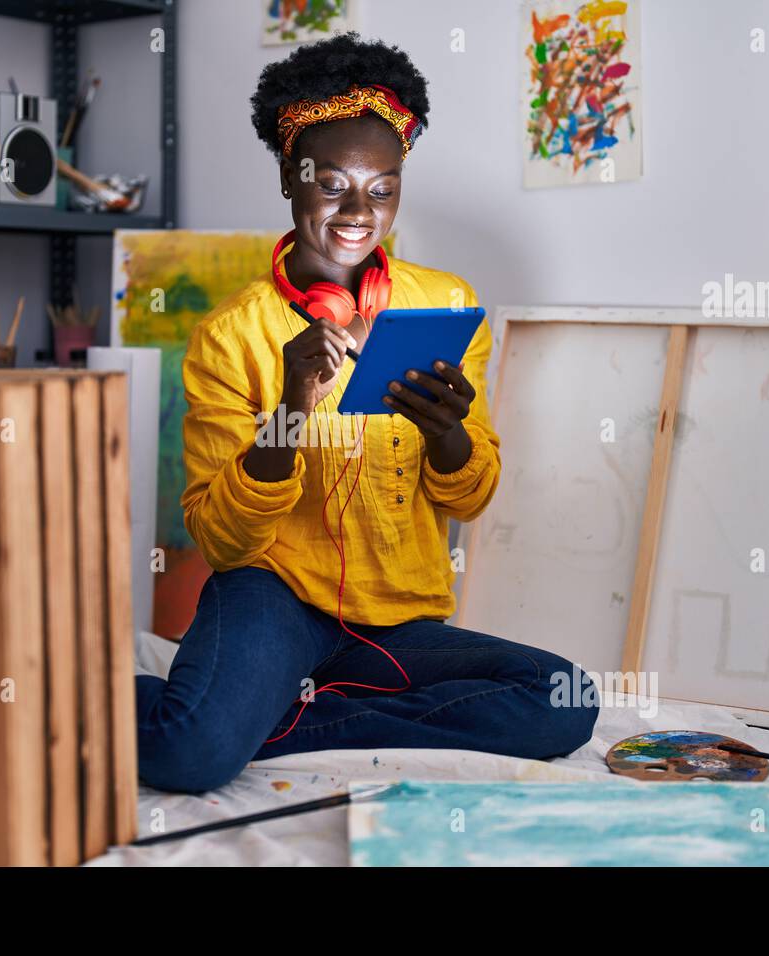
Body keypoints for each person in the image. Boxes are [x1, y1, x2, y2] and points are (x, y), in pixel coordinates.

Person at [136, 33, 598, 794]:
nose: (359, 212)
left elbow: (470, 496)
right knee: (190, 756)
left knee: (562, 699)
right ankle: (132, 703)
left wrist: (446, 433)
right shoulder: (229, 336)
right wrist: (288, 412)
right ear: (290, 176)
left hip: (395, 616)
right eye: (332, 185)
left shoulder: (446, 305)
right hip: (273, 597)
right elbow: (222, 536)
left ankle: (276, 725)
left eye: (382, 189)